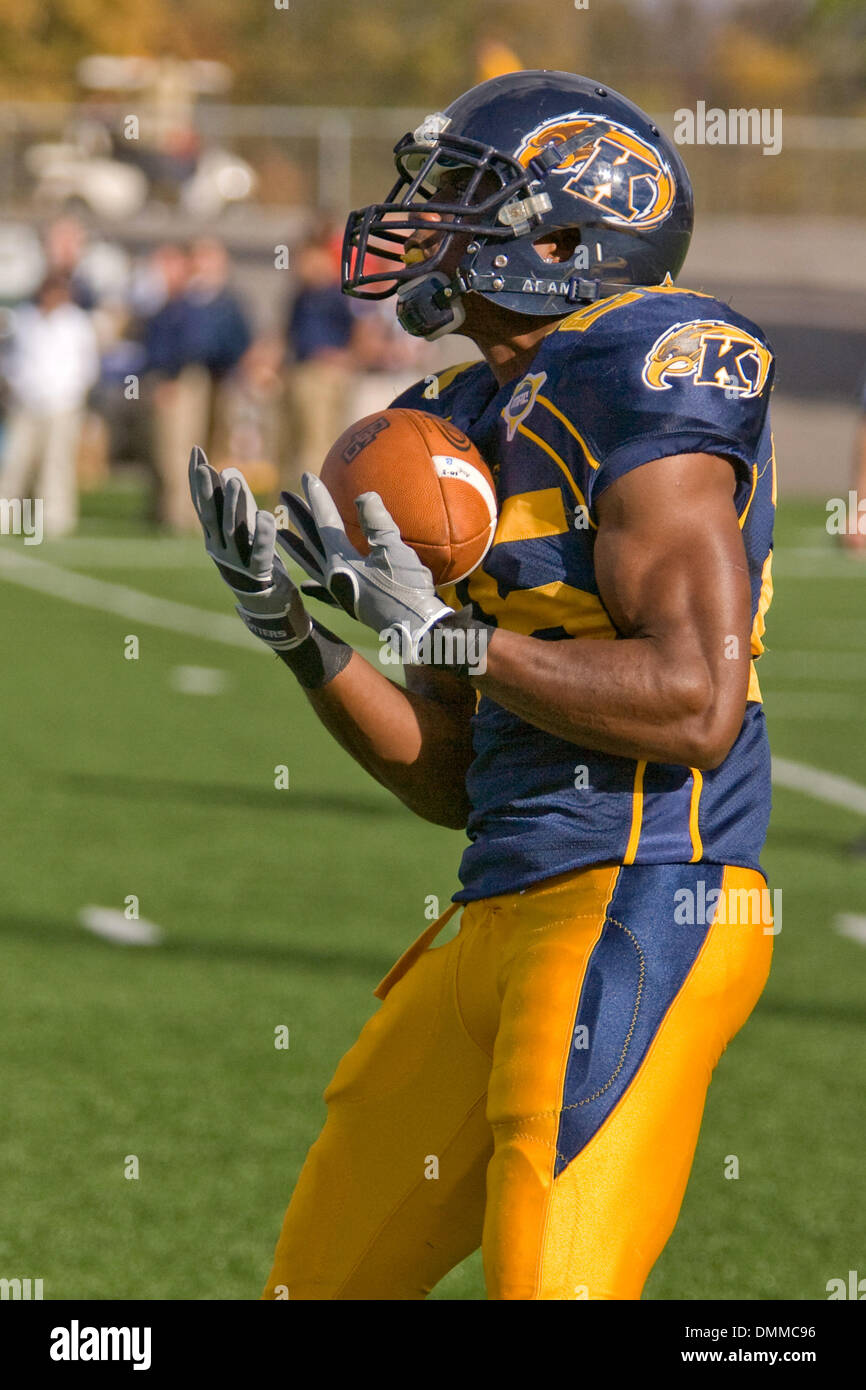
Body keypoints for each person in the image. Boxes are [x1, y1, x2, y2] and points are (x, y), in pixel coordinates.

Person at [190, 71, 777, 1300]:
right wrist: (297, 637)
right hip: (495, 904)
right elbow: (450, 778)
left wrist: (462, 642)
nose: (427, 224)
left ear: (565, 238)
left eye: (463, 197)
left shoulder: (643, 369)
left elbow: (694, 705)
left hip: (638, 900)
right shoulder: (457, 416)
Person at [0, 273, 100, 537]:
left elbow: (88, 364)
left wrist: (73, 392)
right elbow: (10, 357)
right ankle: (5, 515)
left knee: (56, 462)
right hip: (26, 404)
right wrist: (16, 384)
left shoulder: (77, 323)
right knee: (15, 461)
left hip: (62, 404)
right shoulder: (24, 318)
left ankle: (54, 519)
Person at [282, 227, 355, 491]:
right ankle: (290, 505)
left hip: (323, 375)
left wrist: (346, 357)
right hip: (299, 371)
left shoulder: (335, 294)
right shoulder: (301, 296)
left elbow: (360, 330)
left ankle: (314, 504)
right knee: (292, 442)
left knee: (317, 443)